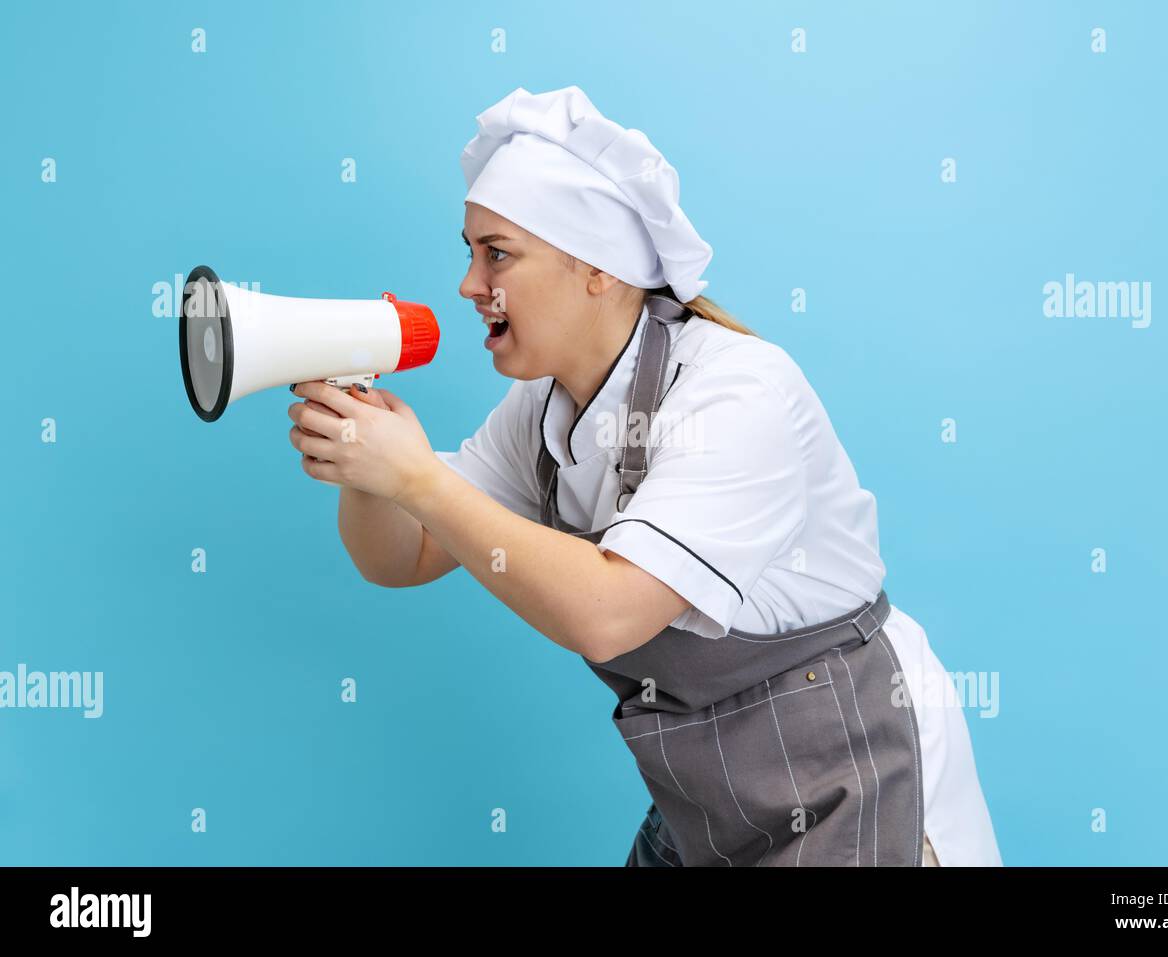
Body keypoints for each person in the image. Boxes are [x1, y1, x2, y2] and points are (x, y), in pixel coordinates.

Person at [287, 85, 1001, 867]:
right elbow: (404, 559)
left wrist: (419, 477)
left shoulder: (739, 392)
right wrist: (368, 469)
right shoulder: (543, 407)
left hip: (846, 770)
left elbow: (608, 608)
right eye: (468, 250)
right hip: (712, 797)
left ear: (595, 269)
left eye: (497, 252)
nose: (467, 283)